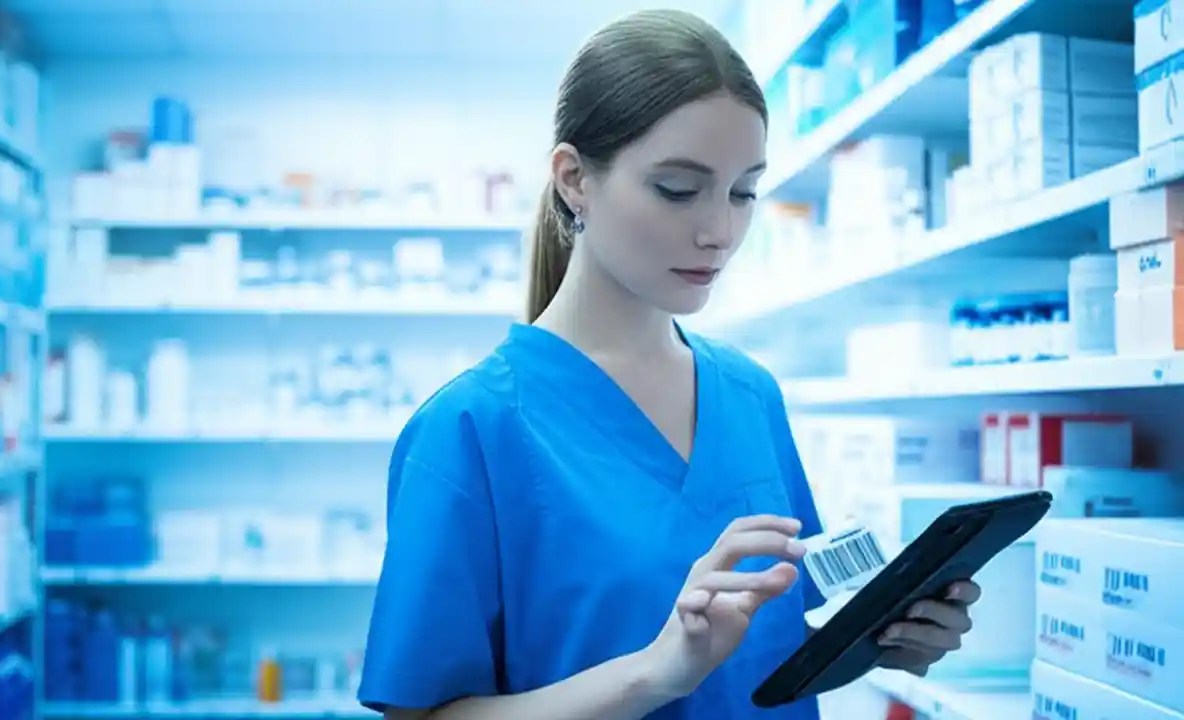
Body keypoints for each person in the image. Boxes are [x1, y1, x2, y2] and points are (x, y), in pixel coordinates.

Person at [358, 9, 981, 720]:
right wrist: (654, 674)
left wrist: (887, 639)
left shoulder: (748, 393)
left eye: (744, 191)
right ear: (574, 180)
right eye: (678, 189)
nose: (719, 231)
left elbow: (766, 664)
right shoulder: (470, 428)